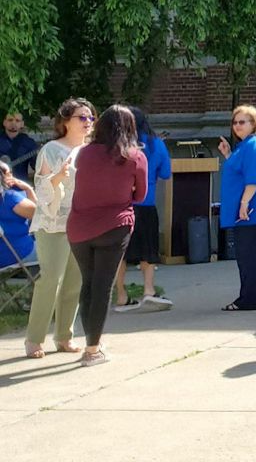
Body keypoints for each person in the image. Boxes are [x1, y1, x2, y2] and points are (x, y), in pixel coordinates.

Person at [66, 105, 147, 366]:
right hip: (115, 224)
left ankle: (92, 343)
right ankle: (92, 350)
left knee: (88, 284)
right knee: (102, 286)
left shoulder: (84, 153)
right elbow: (140, 195)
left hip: (79, 226)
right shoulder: (135, 156)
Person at [25, 98, 94, 359]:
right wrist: (57, 177)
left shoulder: (92, 150)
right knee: (51, 278)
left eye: (91, 117)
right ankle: (34, 339)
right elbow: (42, 190)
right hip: (53, 223)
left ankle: (64, 336)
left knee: (75, 280)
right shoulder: (51, 150)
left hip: (82, 221)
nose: (88, 121)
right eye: (82, 117)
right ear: (65, 121)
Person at [217, 105, 256, 312]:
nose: (237, 126)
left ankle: (249, 299)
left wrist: (244, 204)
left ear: (254, 124)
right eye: (235, 122)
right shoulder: (248, 145)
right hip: (253, 203)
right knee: (255, 251)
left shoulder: (254, 146)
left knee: (246, 253)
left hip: (252, 205)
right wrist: (228, 155)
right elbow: (242, 171)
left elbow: (253, 178)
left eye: (242, 122)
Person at [113, 107, 173, 312]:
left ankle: (121, 295)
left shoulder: (116, 145)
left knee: (120, 253)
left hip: (121, 206)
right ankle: (149, 290)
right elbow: (166, 173)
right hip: (146, 203)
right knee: (148, 250)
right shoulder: (156, 144)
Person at [0, 161, 36, 270]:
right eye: (9, 173)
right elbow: (40, 217)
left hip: (3, 257)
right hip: (19, 253)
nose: (12, 176)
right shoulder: (10, 197)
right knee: (58, 245)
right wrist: (28, 189)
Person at [0, 111, 39, 183]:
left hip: (19, 186)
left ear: (22, 124)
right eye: (10, 120)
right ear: (4, 122)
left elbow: (36, 167)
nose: (13, 123)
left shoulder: (28, 142)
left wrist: (40, 156)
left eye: (17, 121)